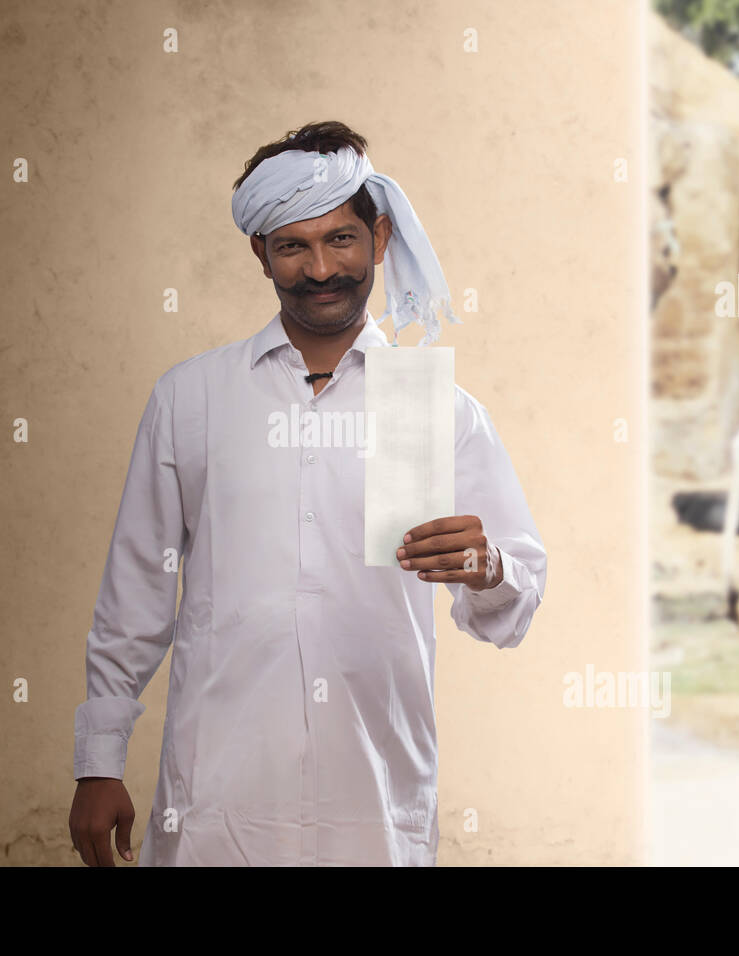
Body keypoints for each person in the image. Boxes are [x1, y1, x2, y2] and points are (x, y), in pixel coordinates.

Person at [68, 121, 547, 866]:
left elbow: (509, 613)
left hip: (375, 805)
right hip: (217, 805)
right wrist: (99, 760)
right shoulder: (192, 398)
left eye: (342, 239)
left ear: (380, 240)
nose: (322, 267)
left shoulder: (424, 408)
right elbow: (135, 591)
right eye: (293, 245)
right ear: (260, 254)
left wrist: (487, 569)